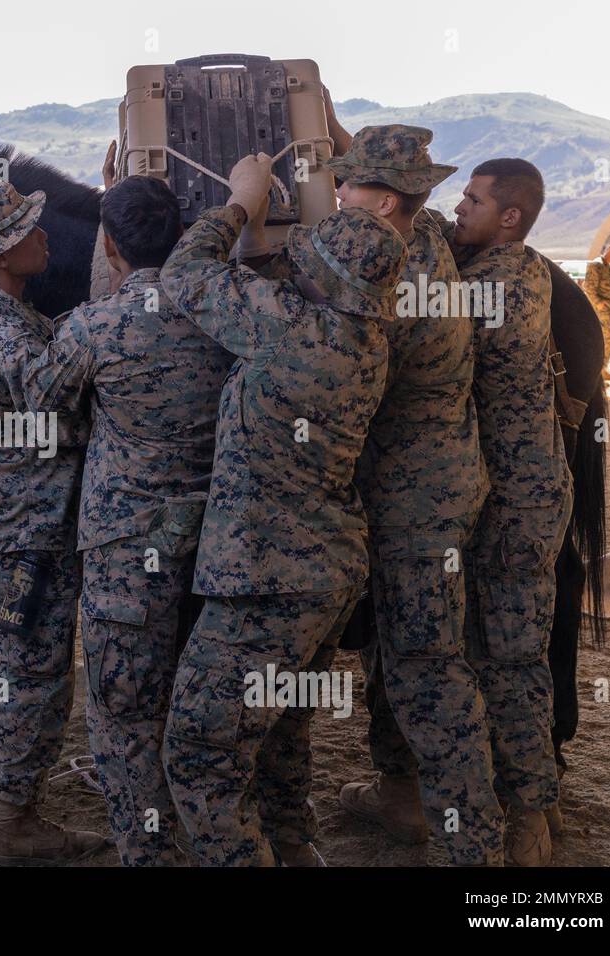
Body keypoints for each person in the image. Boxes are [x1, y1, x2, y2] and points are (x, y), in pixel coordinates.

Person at [160, 153, 406, 866]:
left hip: (264, 579)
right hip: (327, 574)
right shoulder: (367, 339)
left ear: (323, 278)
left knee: (200, 751)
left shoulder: (291, 328)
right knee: (282, 725)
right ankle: (293, 844)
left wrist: (240, 203)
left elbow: (184, 274)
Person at [22, 175, 233, 865]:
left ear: (109, 245)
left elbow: (43, 403)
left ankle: (148, 851)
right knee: (207, 707)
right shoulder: (227, 311)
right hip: (219, 546)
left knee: (124, 713)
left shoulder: (95, 326)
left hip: (126, 553)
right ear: (181, 235)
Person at [323, 123, 503, 866]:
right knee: (398, 651)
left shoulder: (392, 277)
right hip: (432, 486)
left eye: (351, 184)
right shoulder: (421, 229)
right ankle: (399, 793)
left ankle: (475, 855)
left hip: (415, 503)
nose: (338, 193)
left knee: (429, 670)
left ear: (387, 200)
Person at [0, 178, 107, 866]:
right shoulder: (5, 332)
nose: (45, 237)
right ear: (2, 254)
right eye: (30, 231)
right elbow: (55, 401)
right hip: (26, 535)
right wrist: (95, 327)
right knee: (34, 672)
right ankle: (17, 820)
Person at [429, 159, 573, 865]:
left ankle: (532, 816)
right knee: (490, 655)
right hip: (504, 498)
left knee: (512, 659)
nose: (459, 208)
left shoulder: (497, 288)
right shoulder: (514, 267)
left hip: (516, 506)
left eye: (473, 200)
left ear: (510, 217)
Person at [582, 240, 610, 380]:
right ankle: (598, 372)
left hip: (608, 309)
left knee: (605, 340)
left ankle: (601, 371)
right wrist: (599, 304)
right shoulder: (596, 265)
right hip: (600, 310)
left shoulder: (607, 266)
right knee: (607, 339)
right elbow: (588, 287)